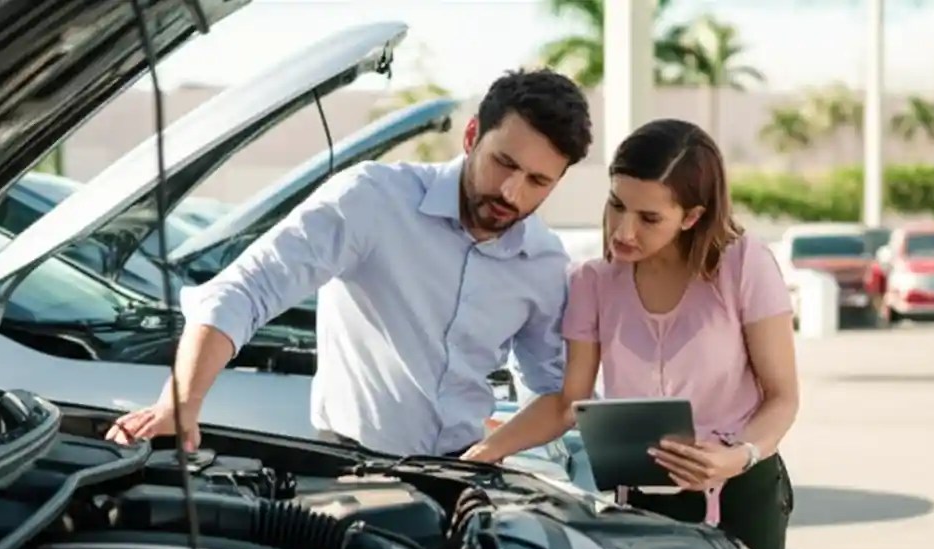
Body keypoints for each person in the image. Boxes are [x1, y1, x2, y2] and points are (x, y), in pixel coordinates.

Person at [104, 68, 593, 457]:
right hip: (351, 465)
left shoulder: (545, 262)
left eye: (538, 181)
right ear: (471, 136)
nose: (512, 192)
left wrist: (488, 454)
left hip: (467, 473)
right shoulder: (372, 200)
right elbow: (248, 289)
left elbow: (554, 390)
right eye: (504, 163)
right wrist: (180, 401)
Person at [462, 118, 800, 549]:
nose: (623, 230)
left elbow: (782, 397)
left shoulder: (744, 265)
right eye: (617, 205)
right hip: (640, 505)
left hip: (741, 494)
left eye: (649, 218)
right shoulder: (592, 283)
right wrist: (483, 453)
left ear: (692, 216)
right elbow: (567, 403)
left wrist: (736, 457)